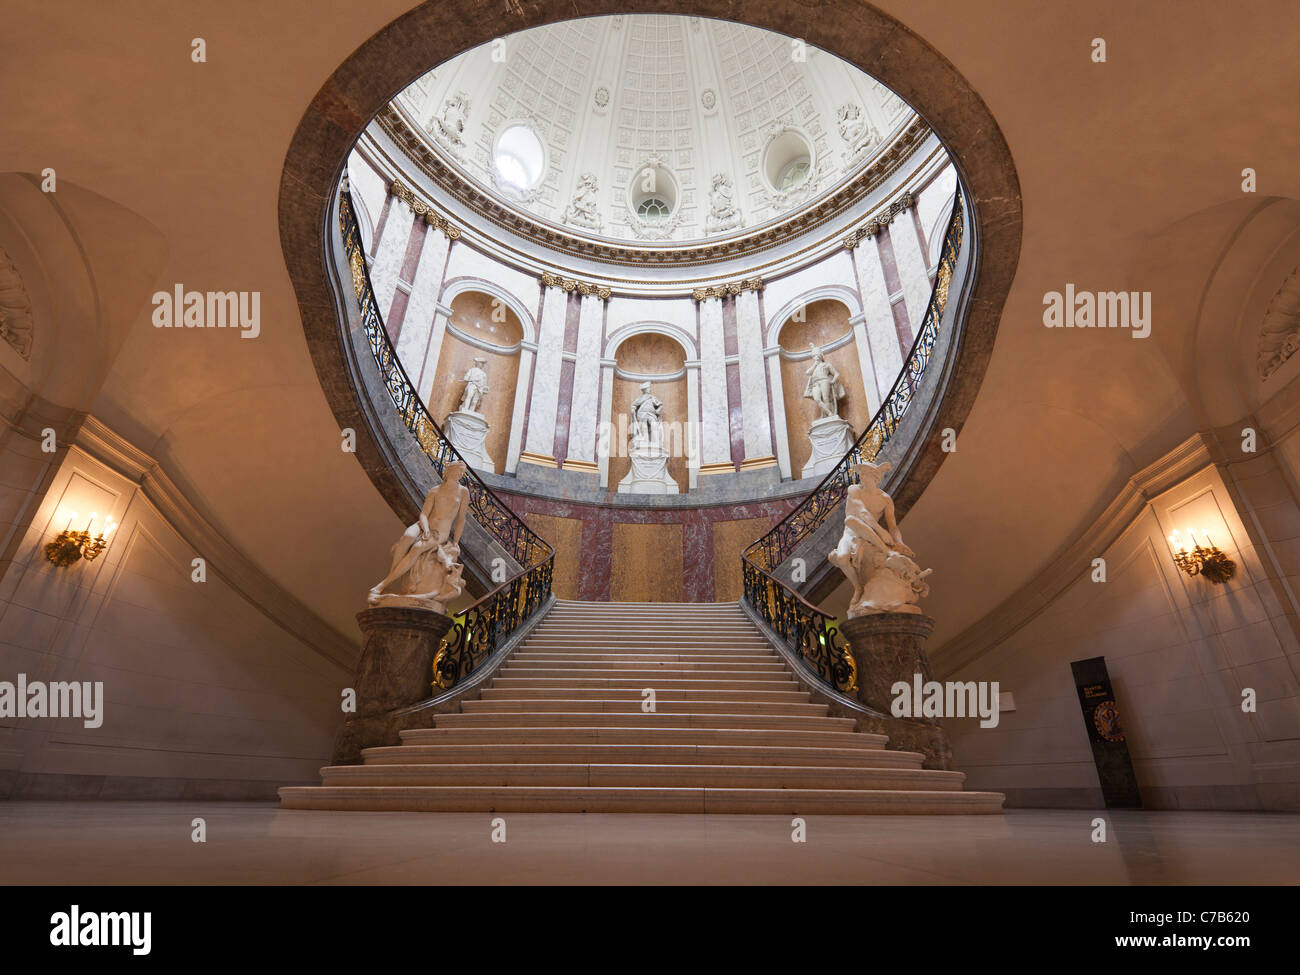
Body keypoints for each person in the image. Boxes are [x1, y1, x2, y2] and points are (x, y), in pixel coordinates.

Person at [368, 461, 469, 603]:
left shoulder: (463, 492)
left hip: (440, 533)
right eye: (458, 470)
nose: (460, 474)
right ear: (449, 471)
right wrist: (426, 529)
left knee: (417, 548)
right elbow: (423, 515)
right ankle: (392, 575)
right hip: (424, 525)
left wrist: (456, 542)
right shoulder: (435, 490)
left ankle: (382, 585)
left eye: (462, 472)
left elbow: (461, 519)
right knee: (407, 537)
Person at [803, 345, 845, 419]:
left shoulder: (826, 365)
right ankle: (828, 413)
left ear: (820, 356)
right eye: (814, 356)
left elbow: (836, 374)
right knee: (817, 399)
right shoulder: (814, 367)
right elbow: (808, 373)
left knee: (825, 398)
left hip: (824, 381)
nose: (815, 357)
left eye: (817, 355)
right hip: (815, 384)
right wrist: (815, 364)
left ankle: (827, 417)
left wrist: (832, 381)